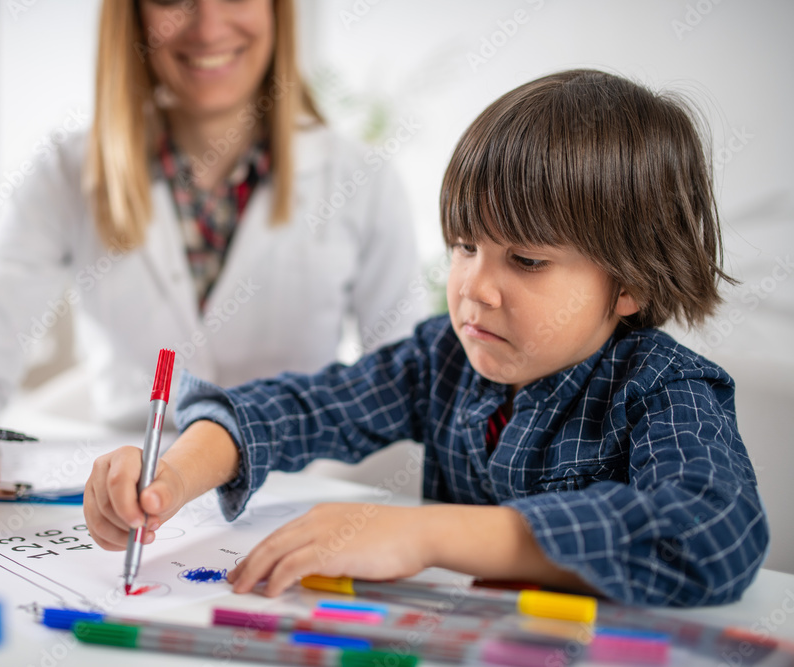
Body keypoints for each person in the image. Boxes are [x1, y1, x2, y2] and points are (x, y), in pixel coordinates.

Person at [84, 69, 770, 607]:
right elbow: (302, 407)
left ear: (630, 283)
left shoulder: (662, 386)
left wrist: (426, 532)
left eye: (526, 260)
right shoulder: (442, 356)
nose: (475, 285)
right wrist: (173, 473)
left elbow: (713, 531)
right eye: (464, 245)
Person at [0, 0, 425, 515]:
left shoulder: (363, 179)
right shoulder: (66, 170)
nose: (209, 25)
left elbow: (409, 385)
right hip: (116, 502)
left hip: (290, 502)